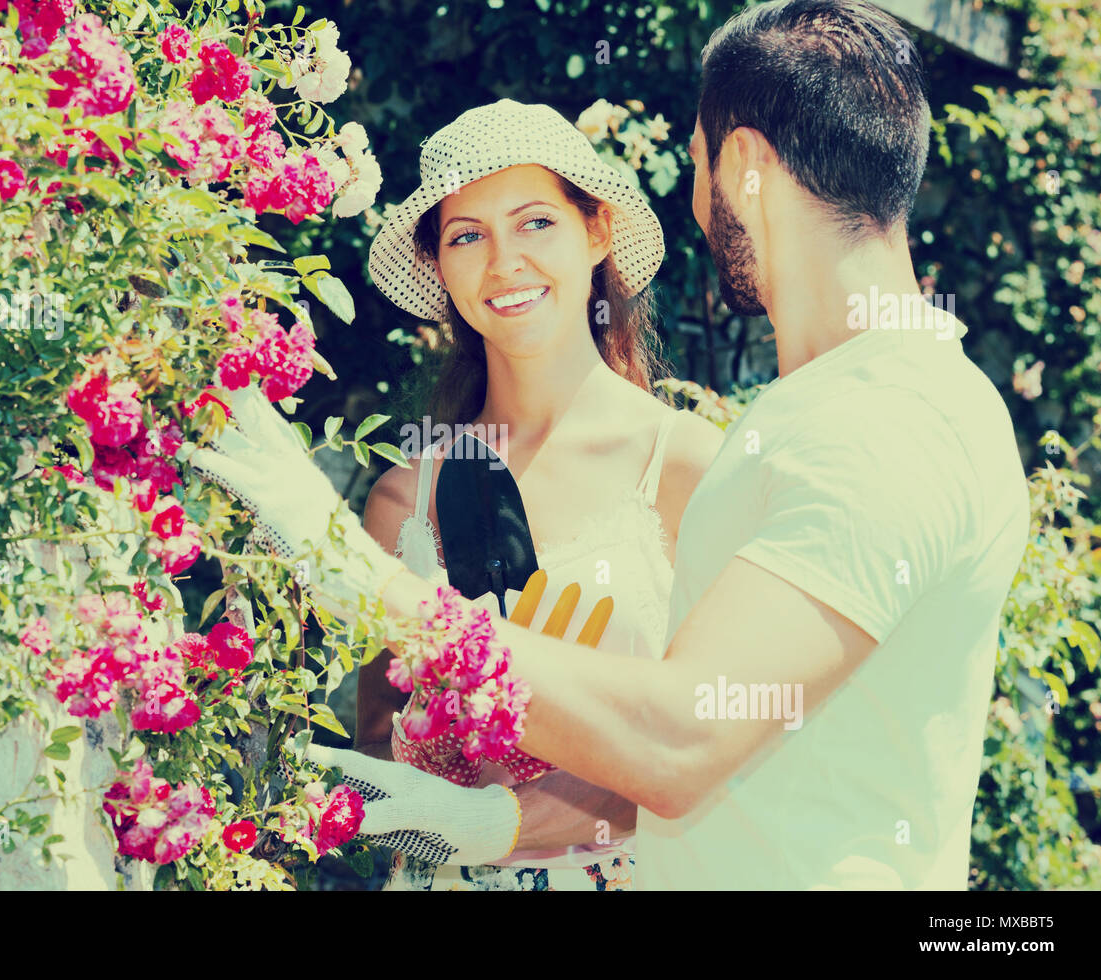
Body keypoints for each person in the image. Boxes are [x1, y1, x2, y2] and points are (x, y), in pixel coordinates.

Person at [190, 0, 1030, 889]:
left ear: (742, 167)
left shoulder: (884, 421)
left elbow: (679, 735)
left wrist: (364, 582)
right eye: (467, 237)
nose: (700, 201)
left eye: (701, 167)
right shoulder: (821, 415)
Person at [355, 99, 724, 890]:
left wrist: (509, 817)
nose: (503, 264)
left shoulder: (687, 468)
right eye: (467, 236)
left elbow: (721, 743)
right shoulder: (402, 504)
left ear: (594, 233)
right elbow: (378, 755)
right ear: (439, 267)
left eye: (534, 223)